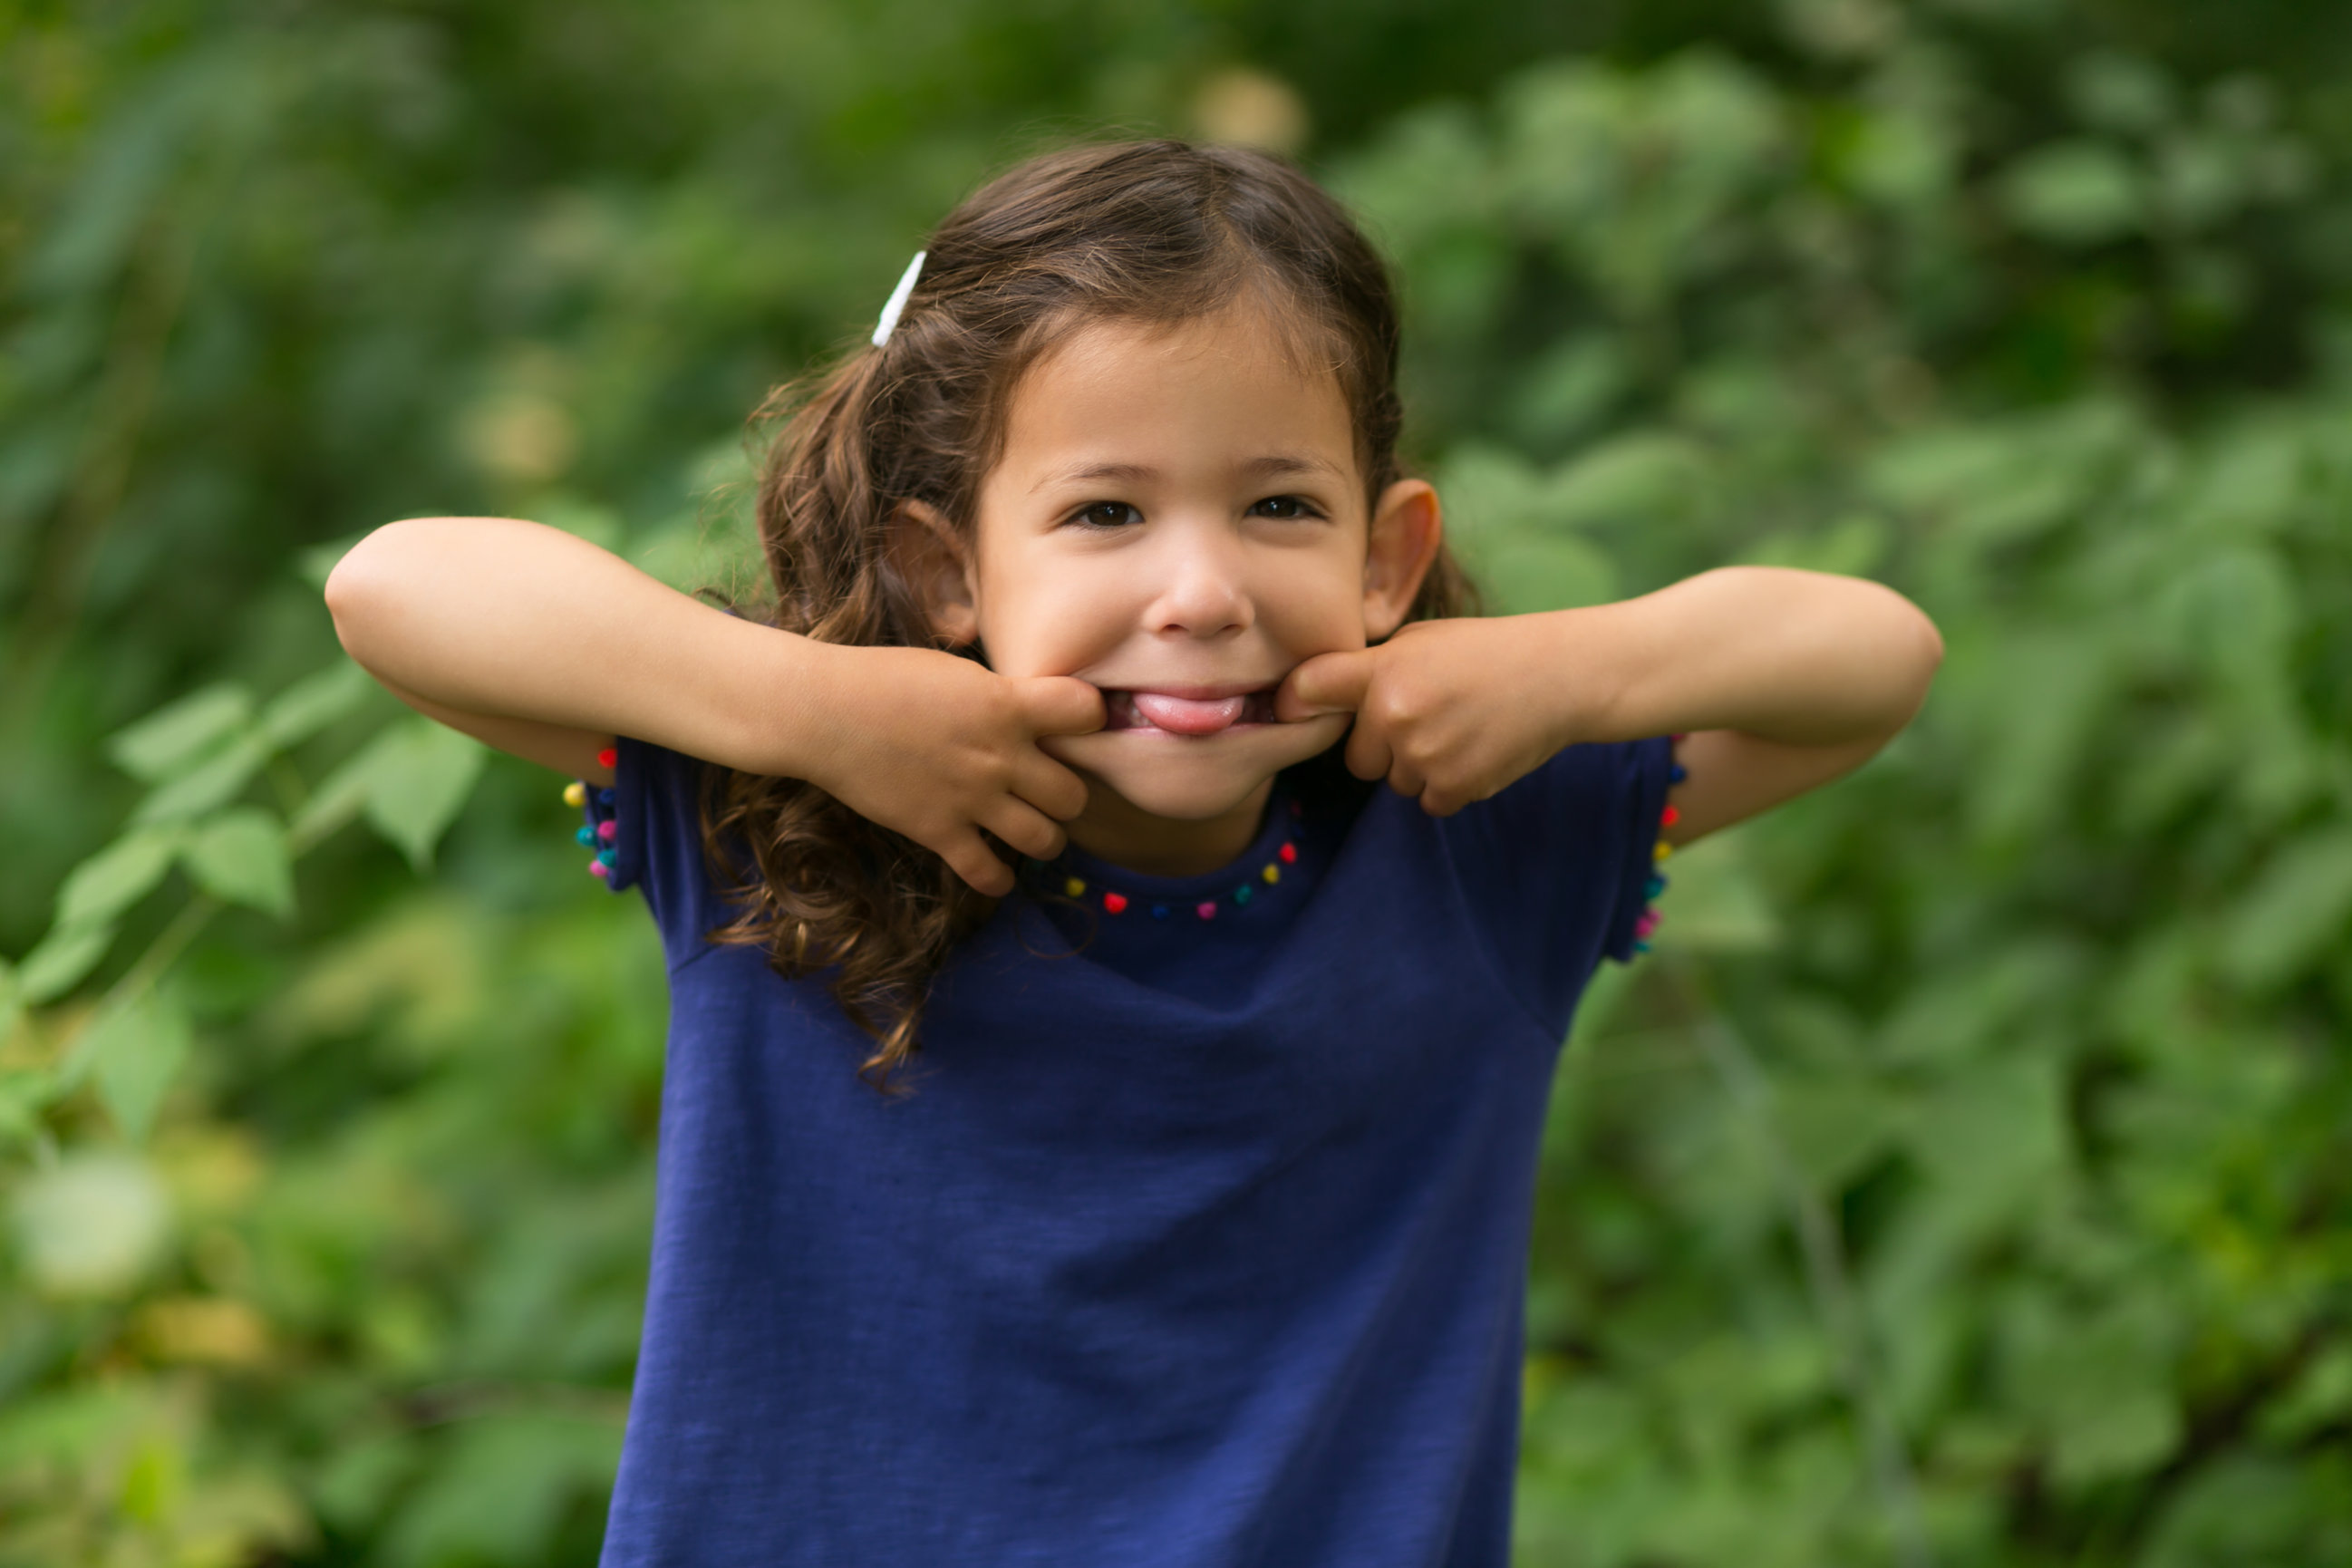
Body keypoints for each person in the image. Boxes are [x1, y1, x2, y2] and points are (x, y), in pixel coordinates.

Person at [324, 140, 1941, 1567]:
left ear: (1390, 558)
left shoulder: (1476, 844)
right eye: (1105, 514)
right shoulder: (795, 816)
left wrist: (1578, 670)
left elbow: (1875, 658)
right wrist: (804, 704)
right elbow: (395, 590)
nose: (1202, 591)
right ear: (946, 571)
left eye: (1281, 509)